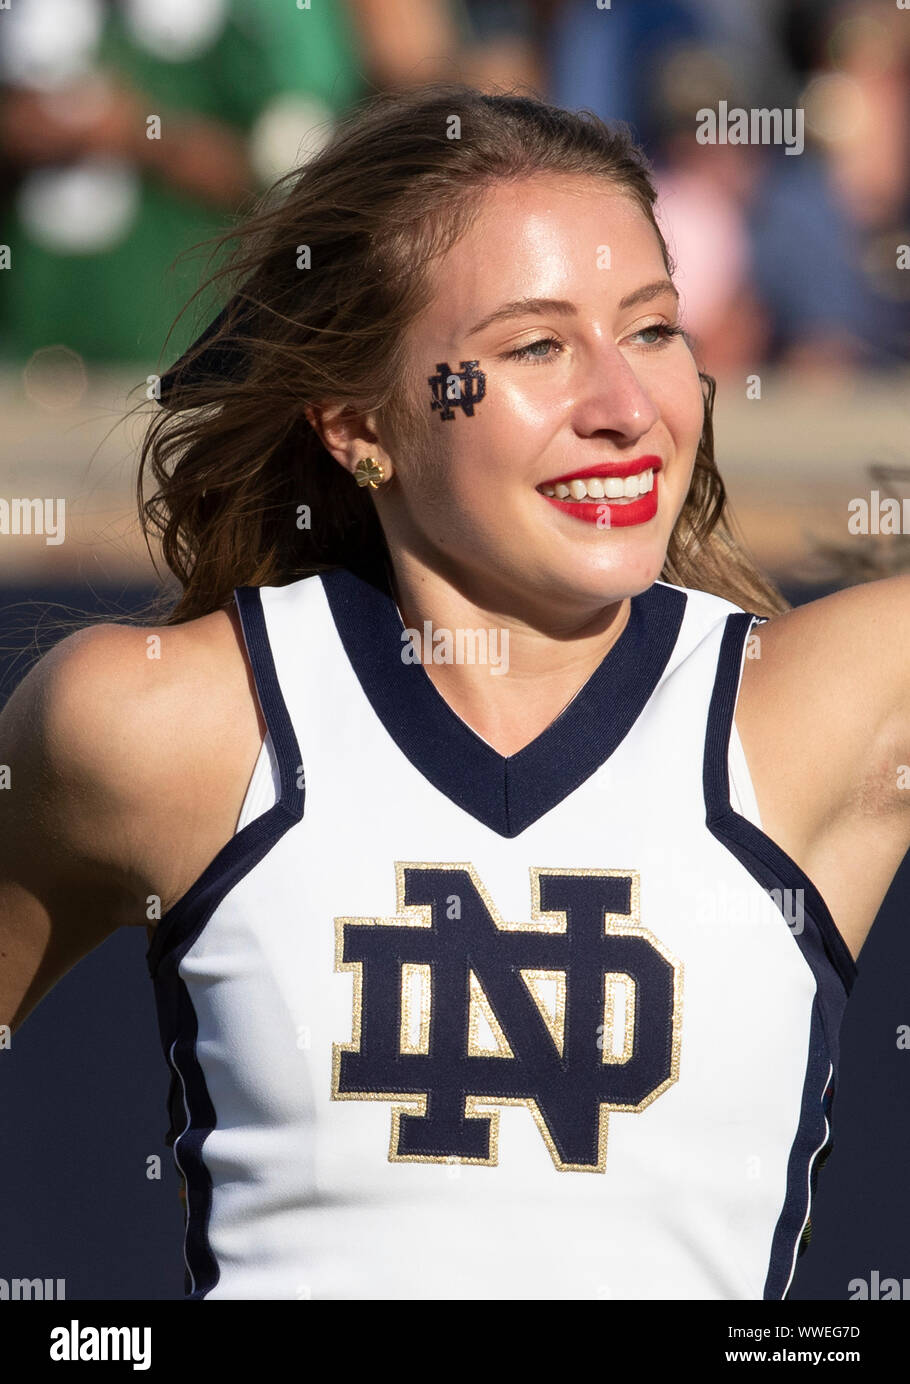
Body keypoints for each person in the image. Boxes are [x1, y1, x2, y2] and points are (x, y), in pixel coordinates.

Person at [1, 86, 907, 1301]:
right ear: (356, 421)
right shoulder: (159, 723)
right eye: (535, 346)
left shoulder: (825, 711)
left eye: (650, 330)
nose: (624, 409)